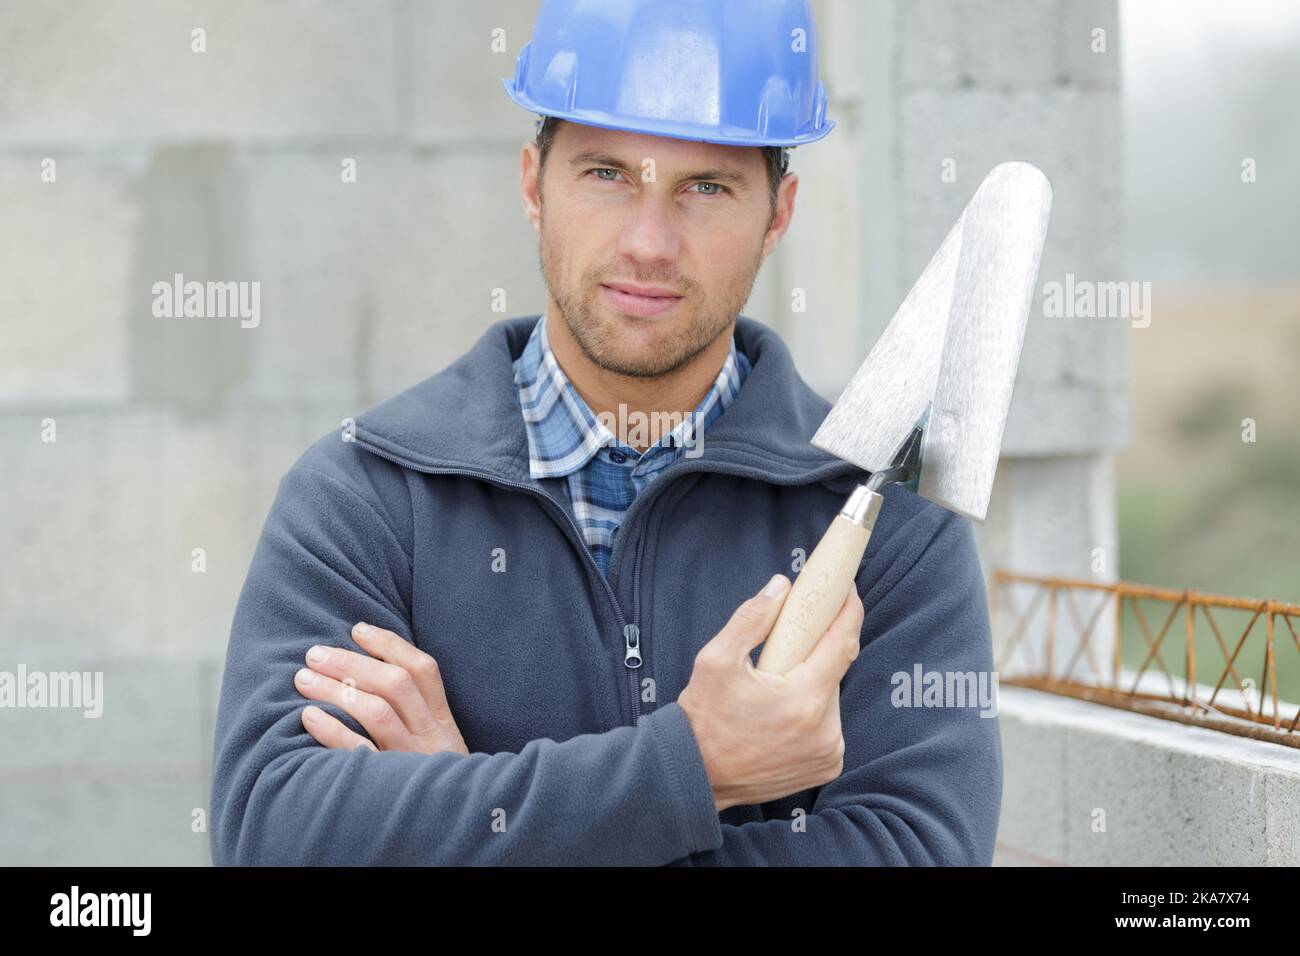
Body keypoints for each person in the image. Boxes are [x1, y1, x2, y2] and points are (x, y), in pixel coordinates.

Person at [209, 0, 1002, 866]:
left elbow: (916, 854)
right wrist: (693, 766)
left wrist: (478, 816)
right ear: (531, 184)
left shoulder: (895, 530)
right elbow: (273, 836)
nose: (650, 242)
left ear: (778, 215)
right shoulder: (363, 495)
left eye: (706, 187)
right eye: (606, 174)